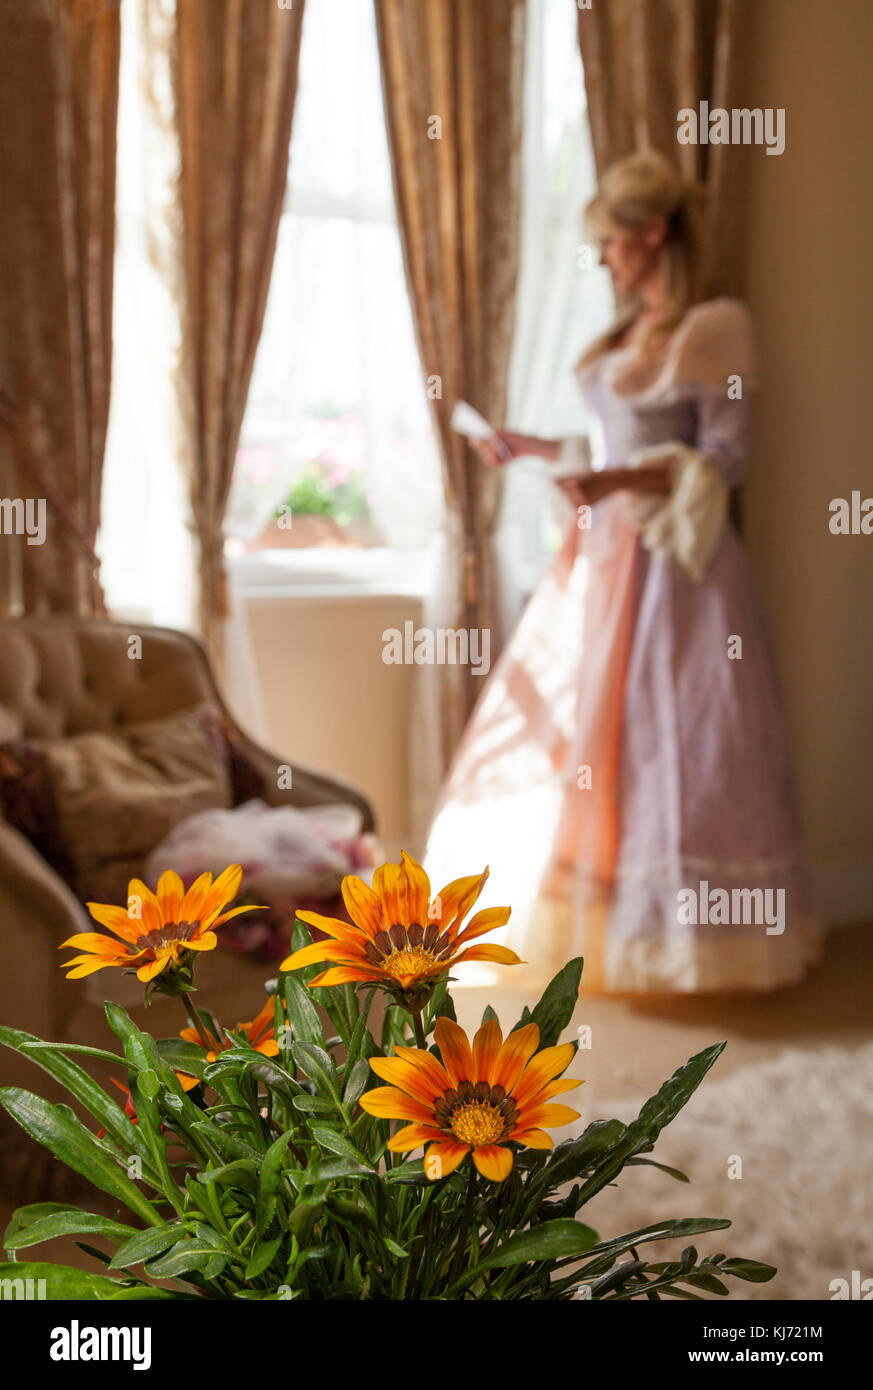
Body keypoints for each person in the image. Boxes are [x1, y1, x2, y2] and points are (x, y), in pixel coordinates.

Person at [423, 150, 820, 994]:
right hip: (600, 558)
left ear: (651, 233)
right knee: (592, 736)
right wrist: (526, 447)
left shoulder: (713, 326)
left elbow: (725, 454)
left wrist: (615, 481)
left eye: (608, 241)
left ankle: (692, 946)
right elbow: (603, 446)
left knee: (676, 741)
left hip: (677, 571)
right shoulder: (620, 334)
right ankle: (601, 933)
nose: (601, 258)